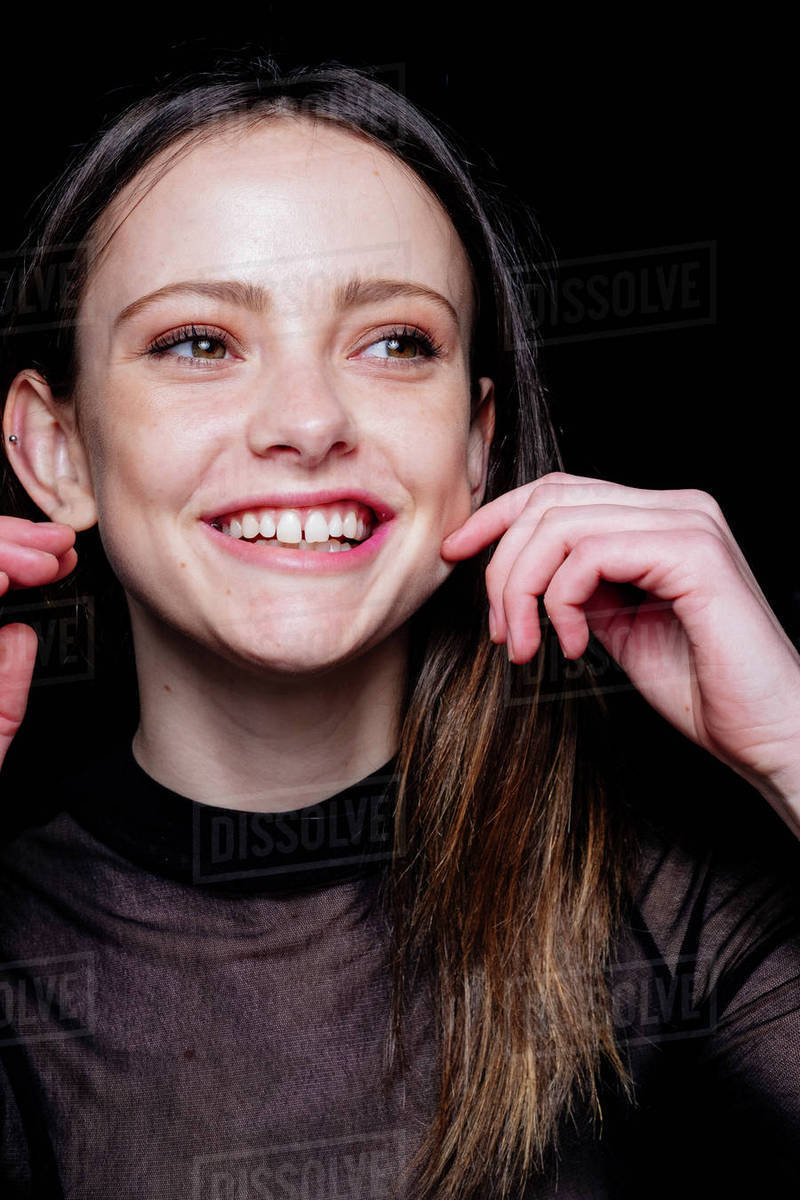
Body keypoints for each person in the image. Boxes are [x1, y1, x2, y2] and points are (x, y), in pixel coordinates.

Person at [0, 55, 798, 1199]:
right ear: (57, 451)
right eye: (197, 342)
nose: (308, 421)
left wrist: (791, 744)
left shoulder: (666, 926)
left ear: (475, 451)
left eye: (393, 343)